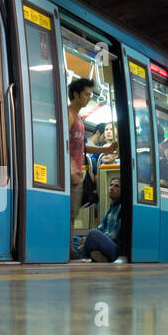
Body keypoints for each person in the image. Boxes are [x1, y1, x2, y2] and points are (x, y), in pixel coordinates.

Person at [68, 78, 116, 256]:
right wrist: (71, 166)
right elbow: (62, 141)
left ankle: (69, 248)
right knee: (69, 215)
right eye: (86, 94)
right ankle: (67, 250)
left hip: (77, 175)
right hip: (70, 175)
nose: (89, 98)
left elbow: (81, 146)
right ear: (76, 94)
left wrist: (105, 149)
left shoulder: (78, 118)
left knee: (73, 215)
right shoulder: (69, 115)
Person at [81, 177, 126, 263]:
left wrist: (90, 239)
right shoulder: (111, 208)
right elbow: (101, 227)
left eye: (117, 186)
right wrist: (86, 239)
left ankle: (84, 257)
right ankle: (95, 254)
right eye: (111, 185)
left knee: (92, 233)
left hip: (115, 248)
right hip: (106, 242)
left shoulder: (122, 208)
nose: (112, 188)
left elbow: (115, 236)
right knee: (75, 239)